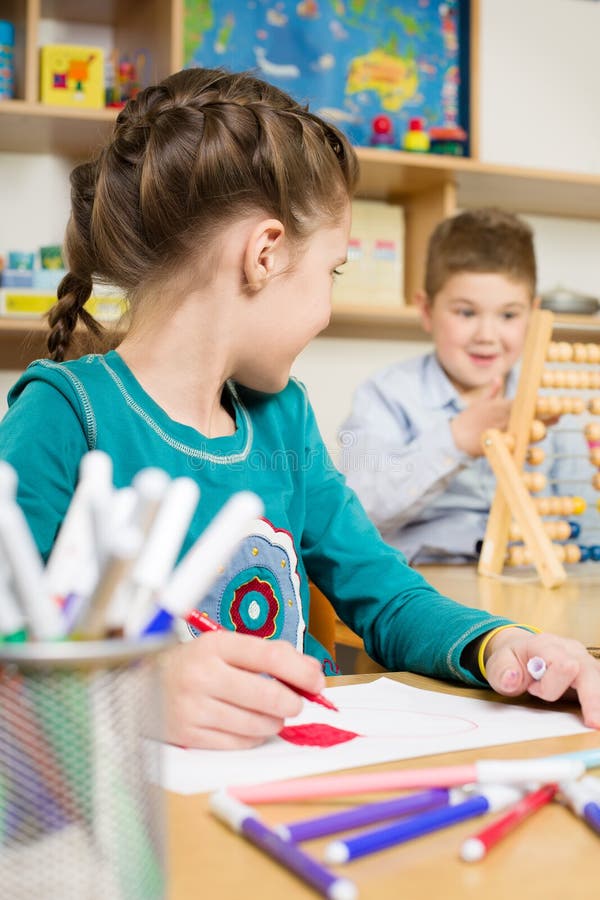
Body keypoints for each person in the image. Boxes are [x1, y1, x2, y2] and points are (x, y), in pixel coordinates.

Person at [0, 69, 597, 749]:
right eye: (332, 271)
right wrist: (134, 693)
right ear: (266, 254)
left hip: (297, 780)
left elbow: (388, 594)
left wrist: (500, 645)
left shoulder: (282, 417)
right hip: (153, 824)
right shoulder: (62, 414)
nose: (329, 304)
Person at [339, 208, 545, 564]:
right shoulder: (387, 396)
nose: (487, 336)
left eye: (509, 315)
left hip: (527, 579)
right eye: (466, 313)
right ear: (427, 310)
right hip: (423, 583)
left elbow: (581, 517)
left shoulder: (548, 399)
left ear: (534, 314)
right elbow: (356, 511)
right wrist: (457, 439)